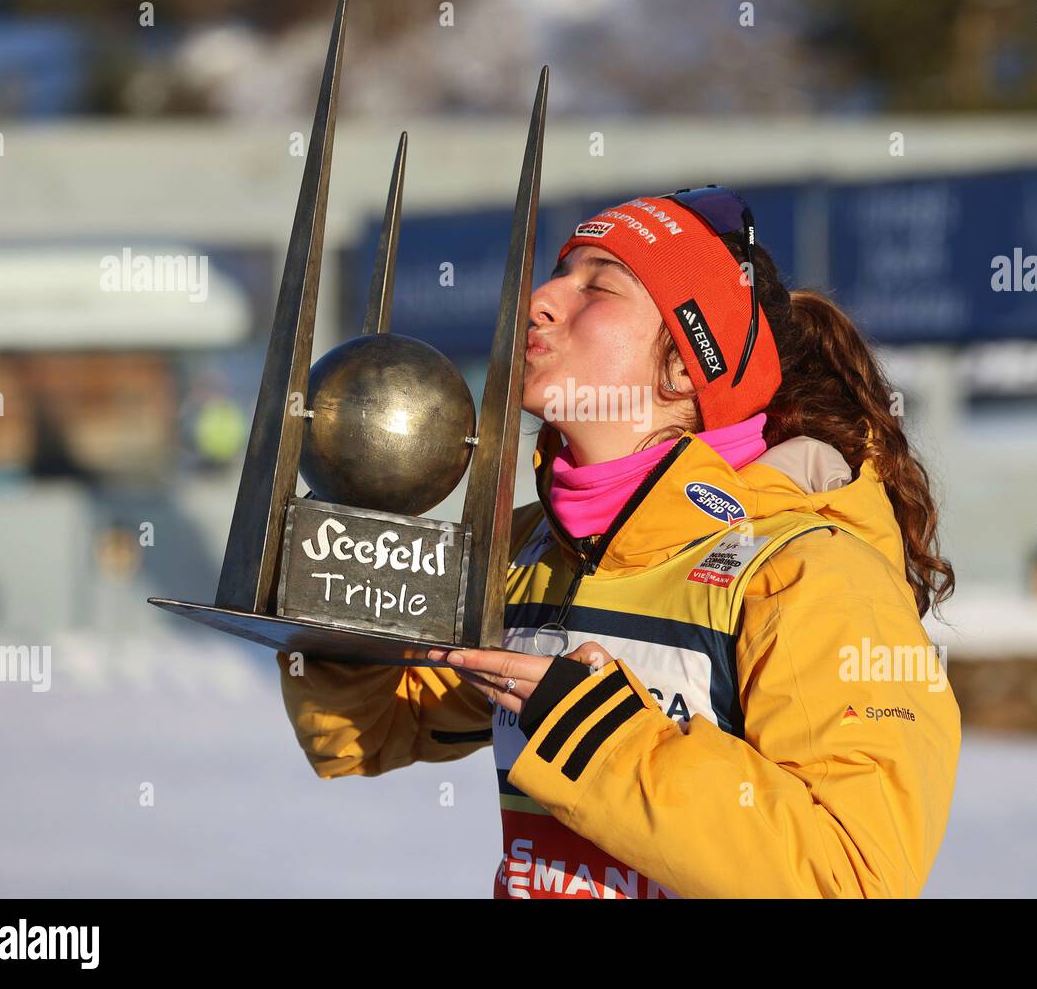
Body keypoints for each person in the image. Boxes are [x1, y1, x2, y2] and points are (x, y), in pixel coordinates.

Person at [276, 186, 960, 899]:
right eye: (560, 272)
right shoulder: (536, 550)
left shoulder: (808, 573)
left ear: (685, 364)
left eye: (598, 285)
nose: (542, 298)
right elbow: (373, 729)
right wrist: (344, 575)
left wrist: (602, 742)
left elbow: (853, 877)